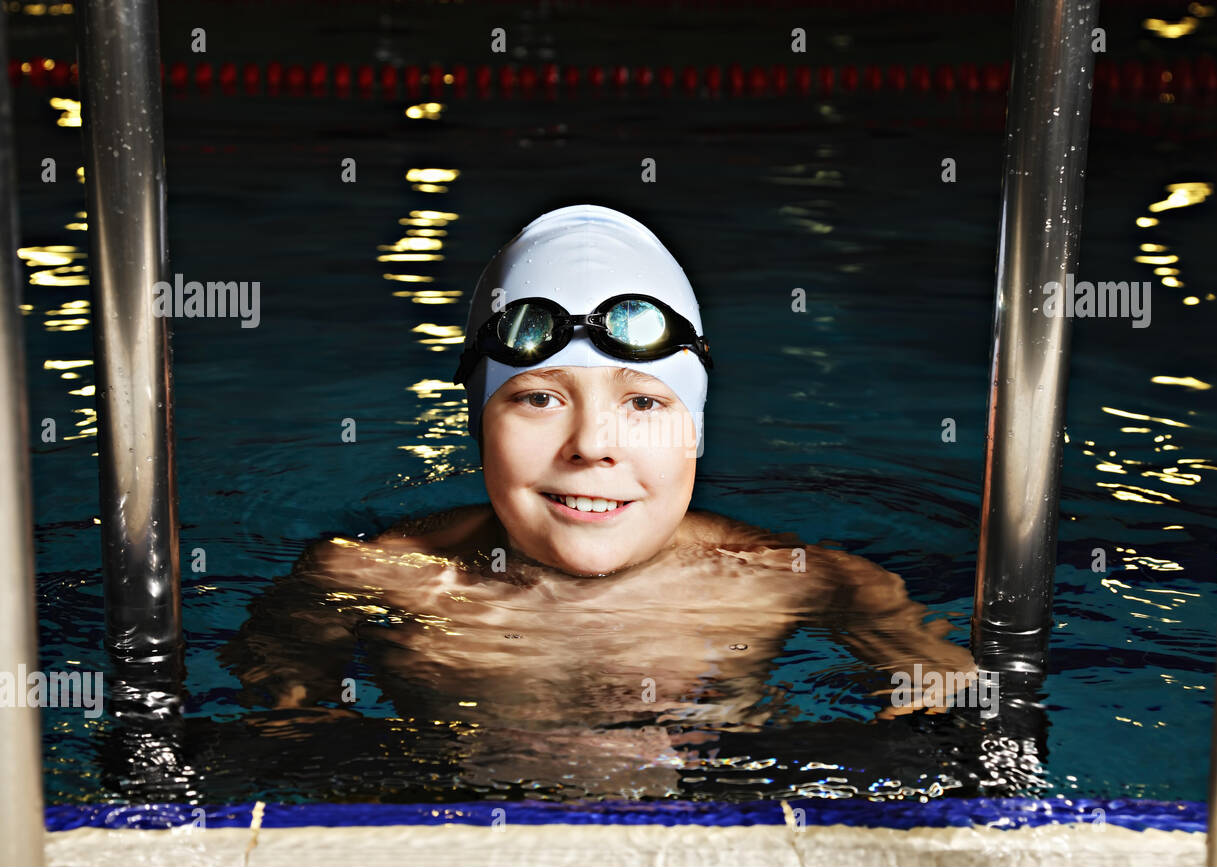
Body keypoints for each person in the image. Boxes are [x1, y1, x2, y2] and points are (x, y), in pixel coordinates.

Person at [224, 204, 977, 797]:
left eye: (645, 404)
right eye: (539, 398)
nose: (592, 445)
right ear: (478, 430)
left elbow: (964, 727)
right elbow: (281, 741)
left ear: (696, 433)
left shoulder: (800, 580)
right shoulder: (367, 577)